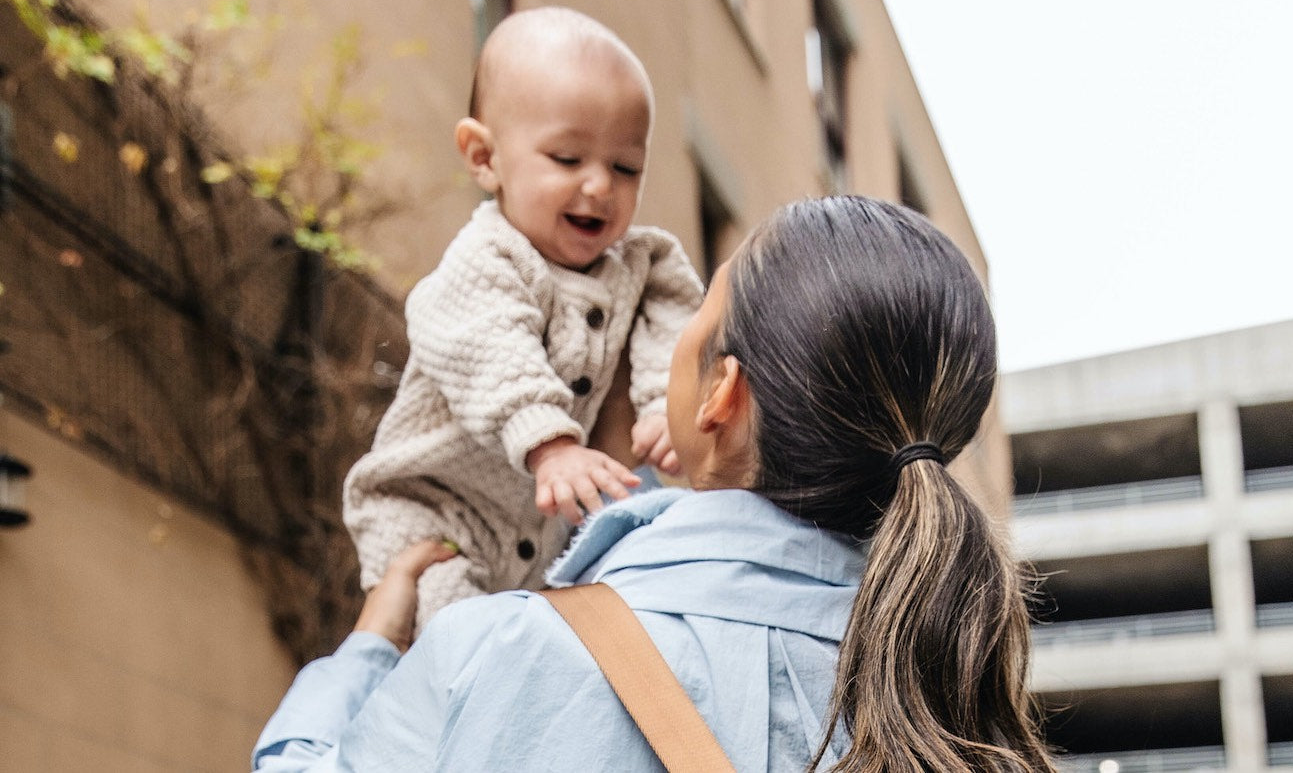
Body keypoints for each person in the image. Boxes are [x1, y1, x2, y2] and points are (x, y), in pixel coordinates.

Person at [258, 197, 1056, 772]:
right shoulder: (957, 705)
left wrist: (367, 650)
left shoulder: (502, 653)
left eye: (695, 320)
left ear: (723, 395)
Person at [343, 7, 704, 628]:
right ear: (484, 158)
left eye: (626, 168)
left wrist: (662, 407)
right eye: (567, 159)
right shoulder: (487, 259)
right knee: (455, 634)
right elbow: (491, 347)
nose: (598, 187)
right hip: (438, 513)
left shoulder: (644, 262)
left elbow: (678, 322)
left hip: (546, 539)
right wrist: (553, 445)